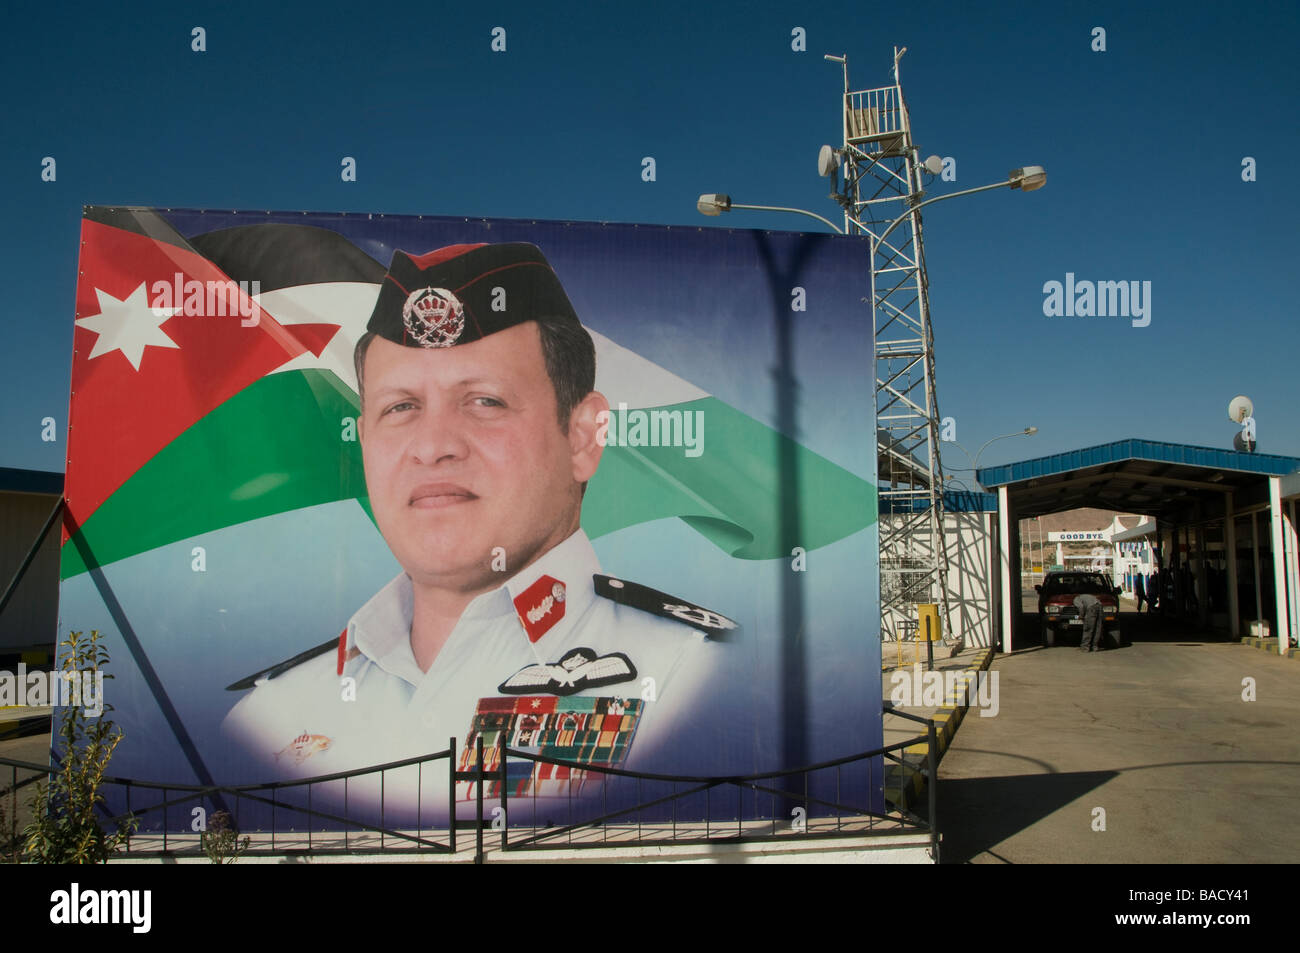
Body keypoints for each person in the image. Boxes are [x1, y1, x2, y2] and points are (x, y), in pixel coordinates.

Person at [221, 242, 735, 814]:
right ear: (364, 443)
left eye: (485, 401)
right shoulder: (267, 716)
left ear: (584, 436)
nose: (435, 445)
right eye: (400, 407)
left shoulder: (701, 680)